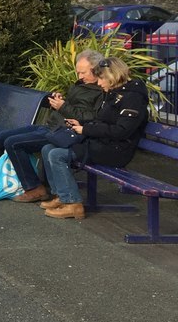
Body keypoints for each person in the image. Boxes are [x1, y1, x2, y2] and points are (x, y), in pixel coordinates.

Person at [40, 57, 149, 220]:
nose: (98, 83)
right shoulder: (114, 93)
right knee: (47, 148)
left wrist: (86, 129)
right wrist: (81, 123)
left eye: (101, 78)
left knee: (56, 155)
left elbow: (121, 131)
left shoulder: (133, 98)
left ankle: (73, 204)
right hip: (102, 143)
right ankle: (62, 196)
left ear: (113, 76)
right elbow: (101, 120)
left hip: (117, 150)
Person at [0, 49, 105, 203]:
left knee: (12, 143)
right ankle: (26, 178)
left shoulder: (101, 90)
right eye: (78, 72)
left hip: (64, 132)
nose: (79, 76)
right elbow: (73, 107)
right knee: (2, 137)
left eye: (83, 72)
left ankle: (34, 188)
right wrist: (59, 101)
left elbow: (90, 117)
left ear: (96, 70)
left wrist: (63, 107)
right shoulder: (81, 84)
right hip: (52, 125)